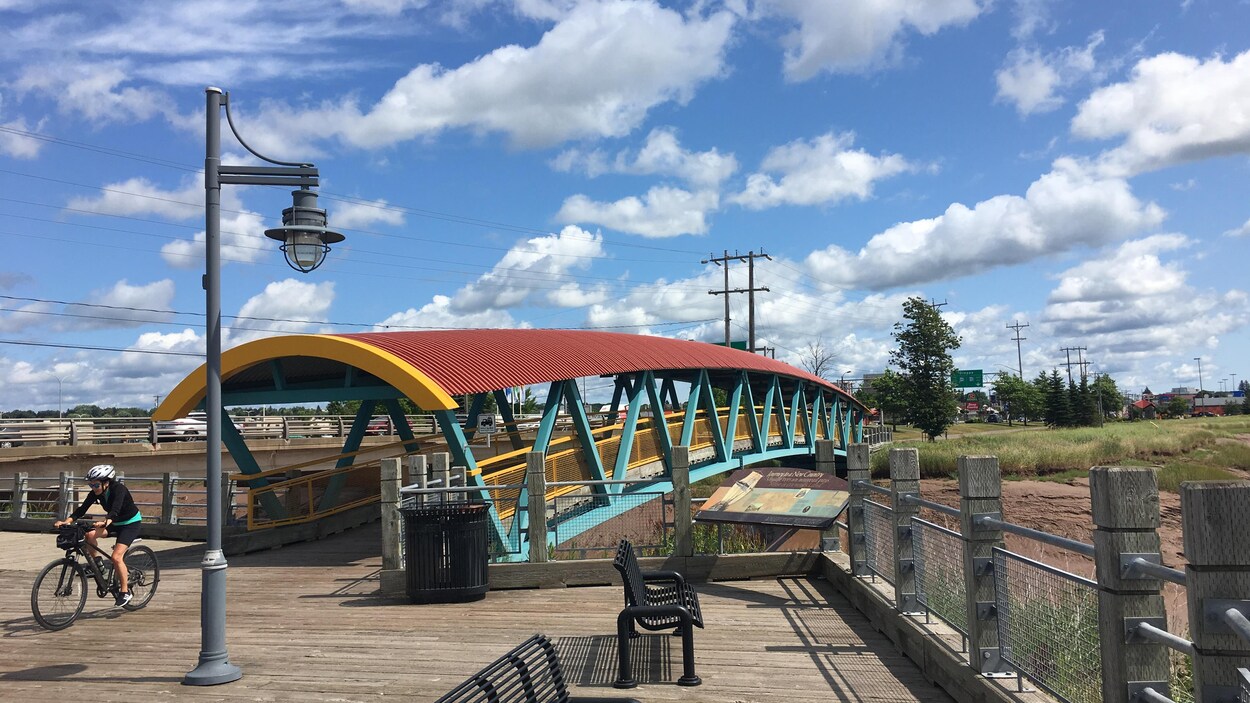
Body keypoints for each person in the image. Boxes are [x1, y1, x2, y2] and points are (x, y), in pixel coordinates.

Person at [53, 464, 142, 607]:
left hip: (130, 523)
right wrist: (66, 521)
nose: (93, 488)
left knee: (116, 557)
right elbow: (82, 509)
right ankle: (99, 566)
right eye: (91, 485)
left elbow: (116, 509)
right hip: (114, 523)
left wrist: (106, 521)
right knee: (89, 535)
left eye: (95, 484)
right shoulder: (96, 493)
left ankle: (125, 592)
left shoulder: (119, 489)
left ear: (106, 482)